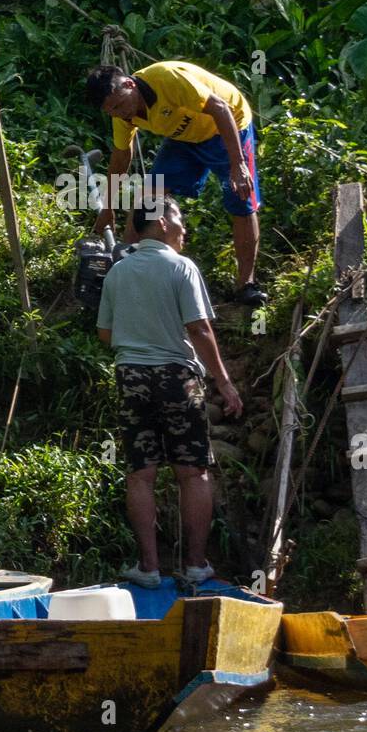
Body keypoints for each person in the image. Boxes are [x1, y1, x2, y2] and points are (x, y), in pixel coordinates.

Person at [97, 194, 243, 587]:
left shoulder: (116, 273)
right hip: (177, 377)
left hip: (130, 377)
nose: (184, 226)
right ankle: (195, 565)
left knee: (140, 475)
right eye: (179, 218)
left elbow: (105, 333)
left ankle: (148, 568)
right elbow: (199, 328)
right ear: (161, 223)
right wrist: (224, 382)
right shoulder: (181, 267)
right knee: (193, 473)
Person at [85, 60, 267, 306]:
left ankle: (246, 284)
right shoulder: (122, 115)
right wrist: (107, 210)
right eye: (112, 112)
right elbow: (120, 159)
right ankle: (126, 270)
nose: (120, 113)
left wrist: (238, 165)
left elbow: (220, 108)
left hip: (226, 125)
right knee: (147, 200)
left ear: (129, 84)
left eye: (120, 105)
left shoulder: (168, 79)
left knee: (241, 199)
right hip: (183, 137)